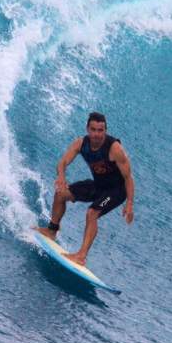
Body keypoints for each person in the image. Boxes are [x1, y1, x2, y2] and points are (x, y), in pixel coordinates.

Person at [35, 111, 135, 266]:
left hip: (116, 190)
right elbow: (62, 162)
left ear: (105, 131)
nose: (97, 134)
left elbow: (128, 178)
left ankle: (81, 256)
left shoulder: (114, 148)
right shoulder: (81, 143)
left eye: (100, 130)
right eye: (93, 130)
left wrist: (129, 203)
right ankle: (51, 230)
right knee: (61, 193)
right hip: (98, 185)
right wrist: (61, 175)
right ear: (88, 129)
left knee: (92, 213)